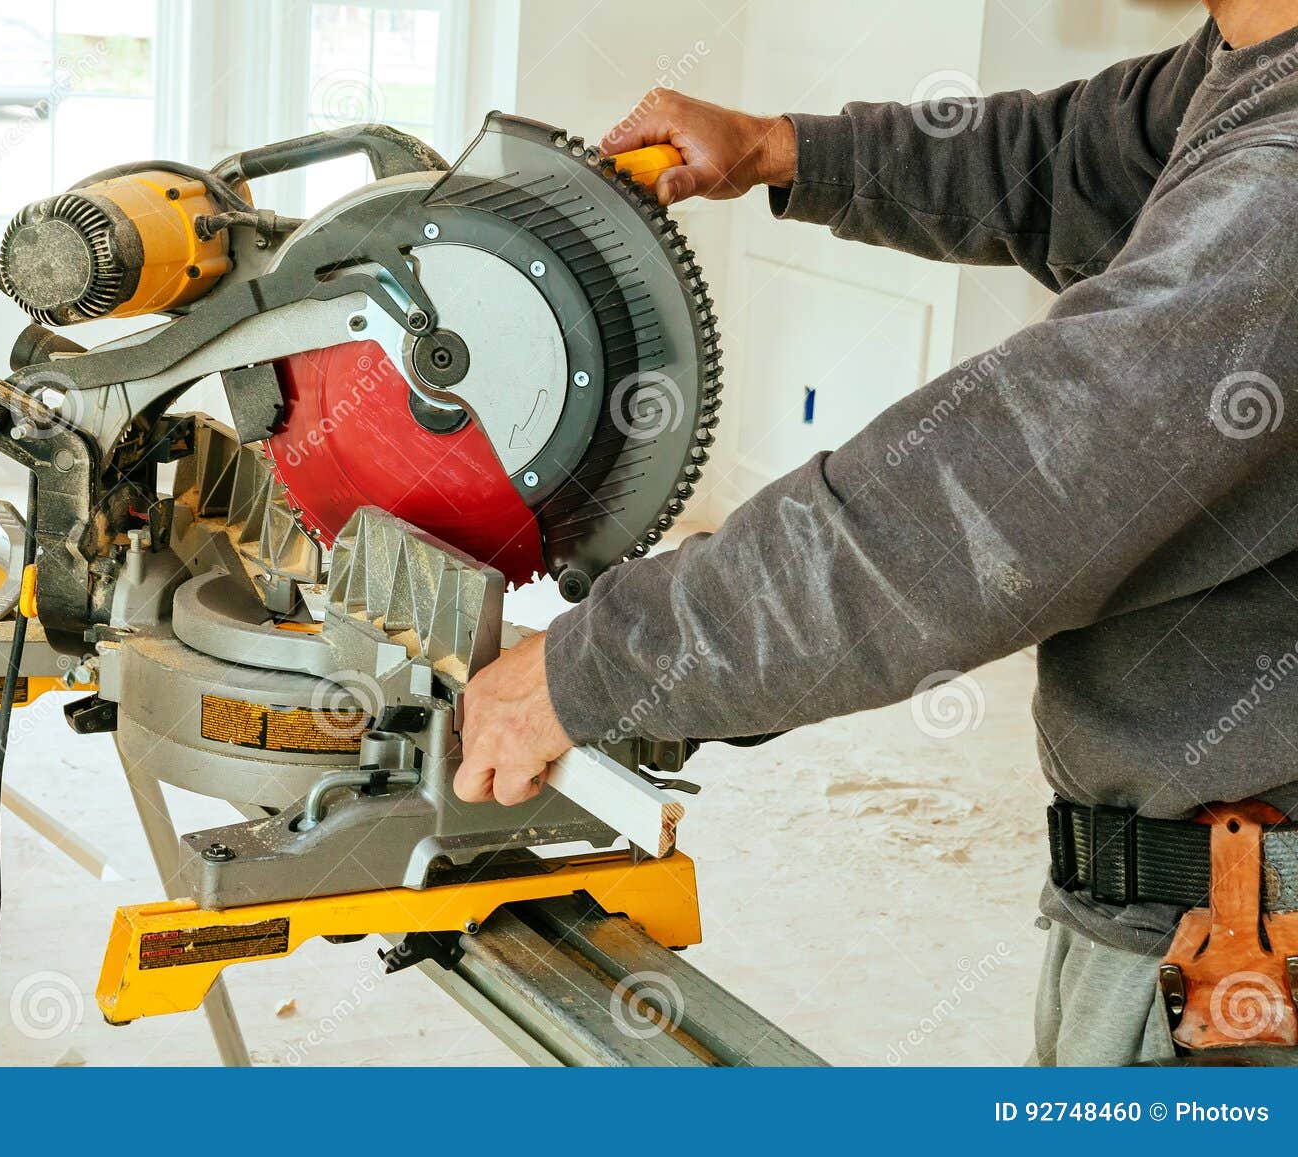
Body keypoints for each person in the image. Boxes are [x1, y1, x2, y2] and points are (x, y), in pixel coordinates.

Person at [453, 0, 1298, 1065]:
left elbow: (991, 492)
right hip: (1183, 898)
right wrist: (778, 148)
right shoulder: (1248, 61)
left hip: (1246, 954)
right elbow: (1063, 156)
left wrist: (601, 664)